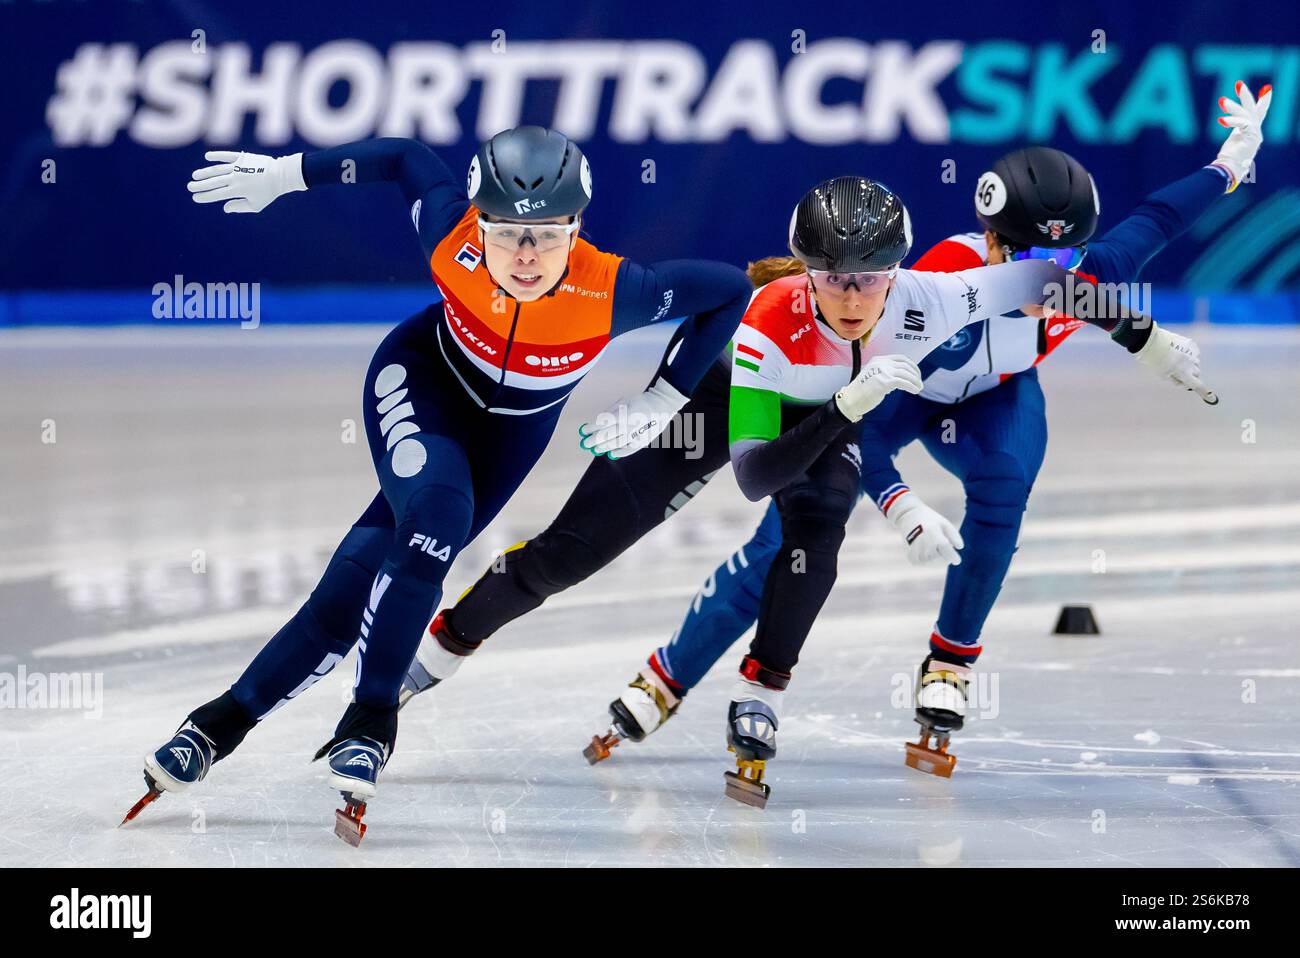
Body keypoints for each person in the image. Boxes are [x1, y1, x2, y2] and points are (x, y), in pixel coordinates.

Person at [401, 165, 1210, 806]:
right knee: (565, 558)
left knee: (815, 541)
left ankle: (762, 693)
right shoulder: (770, 322)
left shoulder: (934, 295)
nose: (854, 297)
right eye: (834, 278)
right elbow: (755, 474)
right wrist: (856, 421)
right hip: (737, 407)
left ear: (899, 271)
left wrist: (1145, 337)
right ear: (809, 273)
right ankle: (444, 643)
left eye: (872, 278)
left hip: (827, 419)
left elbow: (1044, 284)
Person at [579, 82, 1272, 784]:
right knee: (789, 539)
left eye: (1066, 263)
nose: (1050, 276)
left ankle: (951, 660)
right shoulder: (942, 286)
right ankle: (668, 674)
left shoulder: (1080, 273)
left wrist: (1232, 164)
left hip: (992, 397)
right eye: (1030, 257)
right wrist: (898, 501)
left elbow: (1156, 218)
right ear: (992, 241)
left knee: (1004, 490)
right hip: (899, 393)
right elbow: (859, 430)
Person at [125, 128, 752, 843]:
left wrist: (663, 399)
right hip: (423, 383)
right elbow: (402, 157)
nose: (524, 257)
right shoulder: (449, 235)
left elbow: (727, 292)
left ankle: (216, 725)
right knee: (435, 520)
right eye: (506, 233)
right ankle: (372, 716)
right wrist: (286, 176)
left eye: (546, 237)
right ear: (477, 222)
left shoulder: (615, 290)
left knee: (363, 580)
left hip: (508, 439)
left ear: (575, 228)